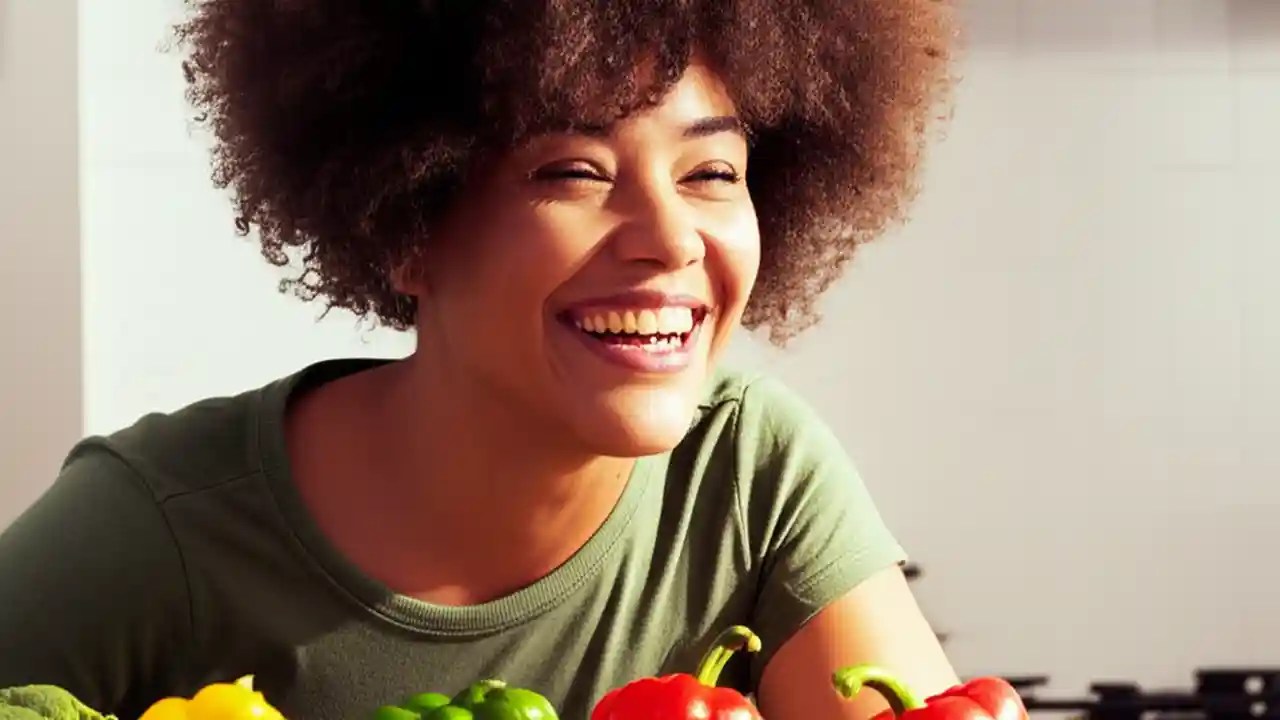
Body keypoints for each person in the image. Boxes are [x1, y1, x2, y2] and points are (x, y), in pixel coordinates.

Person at [0, 2, 960, 718]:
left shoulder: (750, 474)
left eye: (711, 173)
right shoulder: (162, 525)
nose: (671, 240)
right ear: (405, 226)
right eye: (574, 172)